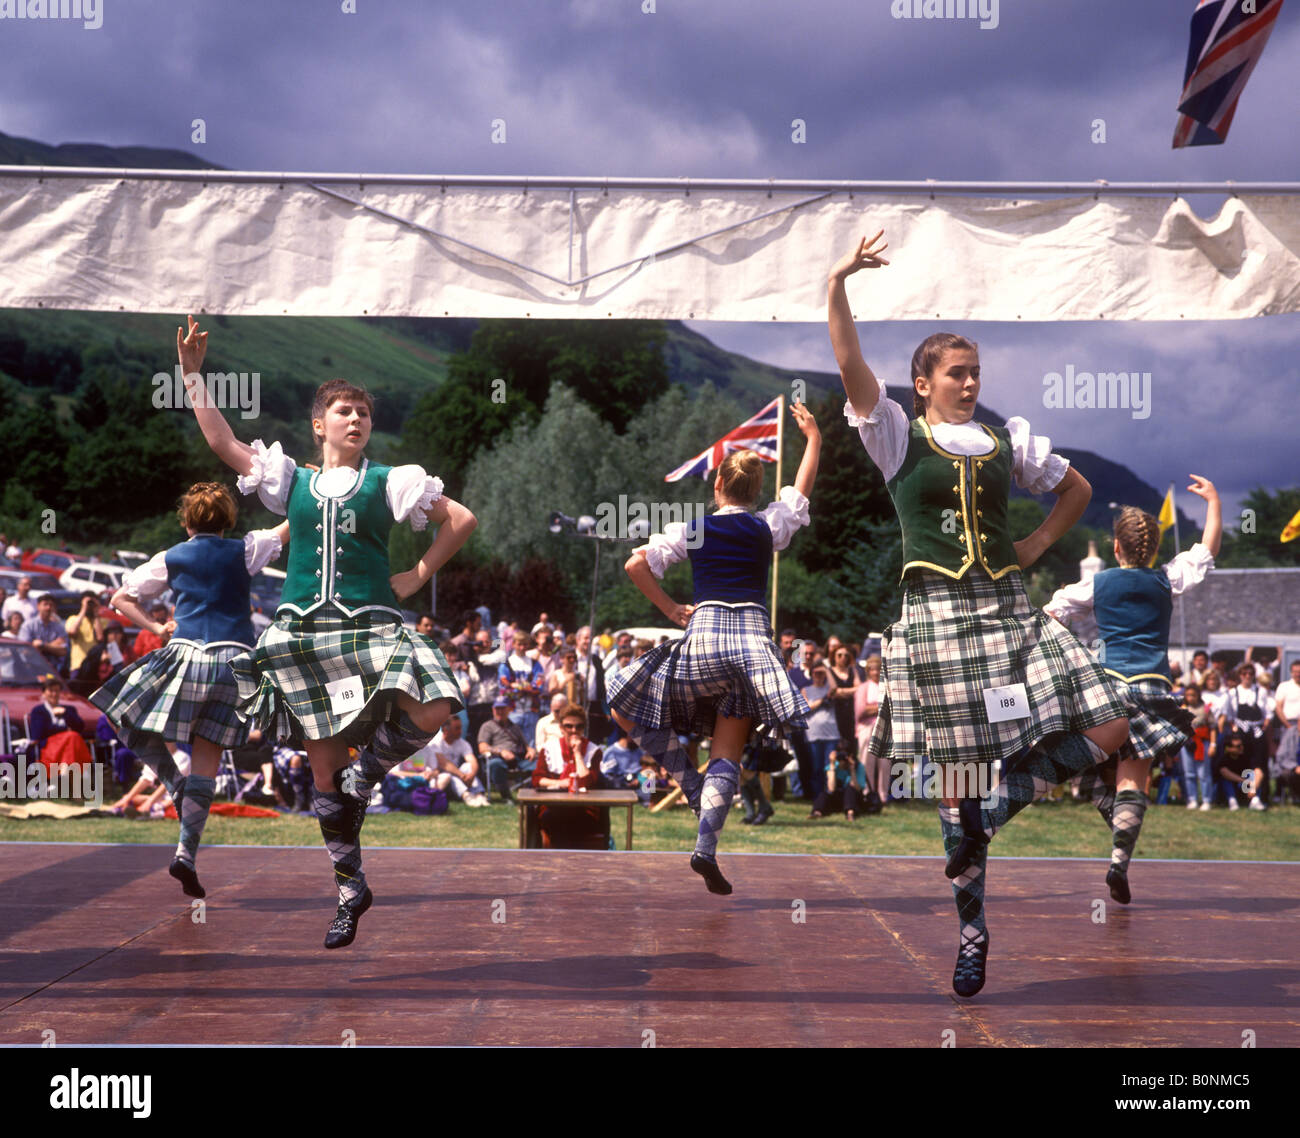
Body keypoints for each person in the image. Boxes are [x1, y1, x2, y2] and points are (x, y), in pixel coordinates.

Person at [828, 231, 1129, 997]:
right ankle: (971, 932)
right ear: (922, 383)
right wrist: (838, 284)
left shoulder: (1003, 442)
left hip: (1006, 607)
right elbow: (848, 366)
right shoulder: (897, 434)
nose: (969, 384)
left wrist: (1031, 545)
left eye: (975, 374)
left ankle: (996, 810)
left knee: (1109, 723)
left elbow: (1079, 491)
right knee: (955, 781)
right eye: (956, 374)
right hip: (933, 614)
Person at [178, 315, 475, 948]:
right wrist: (193, 377)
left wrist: (417, 574)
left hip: (370, 626)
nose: (356, 419)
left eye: (363, 412)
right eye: (344, 410)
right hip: (304, 638)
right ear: (320, 424)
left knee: (436, 703)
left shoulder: (391, 481)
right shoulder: (294, 482)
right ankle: (349, 888)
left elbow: (463, 519)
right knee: (321, 774)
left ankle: (368, 772)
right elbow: (225, 444)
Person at [609, 400, 820, 895]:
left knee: (622, 701)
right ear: (757, 491)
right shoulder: (768, 527)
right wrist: (814, 440)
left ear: (717, 486)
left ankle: (686, 779)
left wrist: (670, 610)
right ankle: (705, 847)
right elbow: (800, 495)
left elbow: (634, 565)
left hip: (701, 641)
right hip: (749, 650)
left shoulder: (693, 527)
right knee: (728, 751)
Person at [90, 482, 289, 899]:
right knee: (207, 761)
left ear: (186, 520)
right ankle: (185, 853)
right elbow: (290, 527)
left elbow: (121, 599)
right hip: (234, 664)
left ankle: (171, 782)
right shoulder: (245, 550)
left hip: (187, 653)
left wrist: (156, 627)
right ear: (228, 520)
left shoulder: (171, 557)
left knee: (120, 712)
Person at [1045, 476, 1221, 902]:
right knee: (1132, 781)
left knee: (1094, 774)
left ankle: (1119, 823)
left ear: (1116, 547)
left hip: (1106, 690)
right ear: (1156, 549)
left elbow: (1054, 610)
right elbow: (1206, 551)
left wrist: (1073, 653)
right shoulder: (1166, 579)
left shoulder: (1097, 584)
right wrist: (1214, 501)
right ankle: (1119, 859)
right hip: (1151, 688)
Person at [531, 703, 605, 849]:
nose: (574, 730)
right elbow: (537, 779)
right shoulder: (548, 749)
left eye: (579, 726)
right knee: (554, 818)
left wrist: (578, 753)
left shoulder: (593, 751)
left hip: (583, 809)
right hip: (553, 806)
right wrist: (561, 783)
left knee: (571, 821)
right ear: (561, 728)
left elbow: (588, 782)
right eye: (568, 726)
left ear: (584, 728)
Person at [1218, 662, 1271, 810]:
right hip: (1239, 734)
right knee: (1242, 765)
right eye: (1244, 674)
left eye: (1250, 674)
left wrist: (1262, 728)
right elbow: (1228, 715)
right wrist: (1234, 728)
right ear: (1240, 675)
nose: (1247, 676)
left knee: (1256, 765)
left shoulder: (1260, 692)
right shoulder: (1232, 692)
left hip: (1256, 733)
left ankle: (1254, 798)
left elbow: (1267, 714)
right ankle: (1236, 798)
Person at [28, 674, 93, 772]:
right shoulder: (38, 711)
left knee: (73, 738)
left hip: (70, 748)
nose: (54, 694)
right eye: (50, 690)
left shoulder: (69, 709)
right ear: (44, 693)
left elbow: (80, 727)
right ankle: (69, 775)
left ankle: (65, 773)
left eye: (57, 691)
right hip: (50, 749)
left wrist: (65, 713)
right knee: (72, 736)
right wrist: (64, 729)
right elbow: (38, 734)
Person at [478, 696, 536, 801]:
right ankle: (507, 797)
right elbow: (482, 747)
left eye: (503, 708)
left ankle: (530, 797)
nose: (500, 711)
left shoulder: (515, 727)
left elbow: (526, 745)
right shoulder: (487, 726)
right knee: (495, 764)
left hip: (517, 759)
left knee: (538, 764)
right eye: (497, 708)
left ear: (509, 709)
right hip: (498, 758)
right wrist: (501, 752)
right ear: (493, 710)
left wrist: (531, 750)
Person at [21, 595, 69, 669]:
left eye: (51, 605)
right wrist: (53, 646)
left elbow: (63, 651)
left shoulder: (59, 628)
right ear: (38, 606)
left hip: (52, 669)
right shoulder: (28, 625)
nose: (48, 608)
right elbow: (24, 651)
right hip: (31, 668)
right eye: (45, 604)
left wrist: (42, 645)